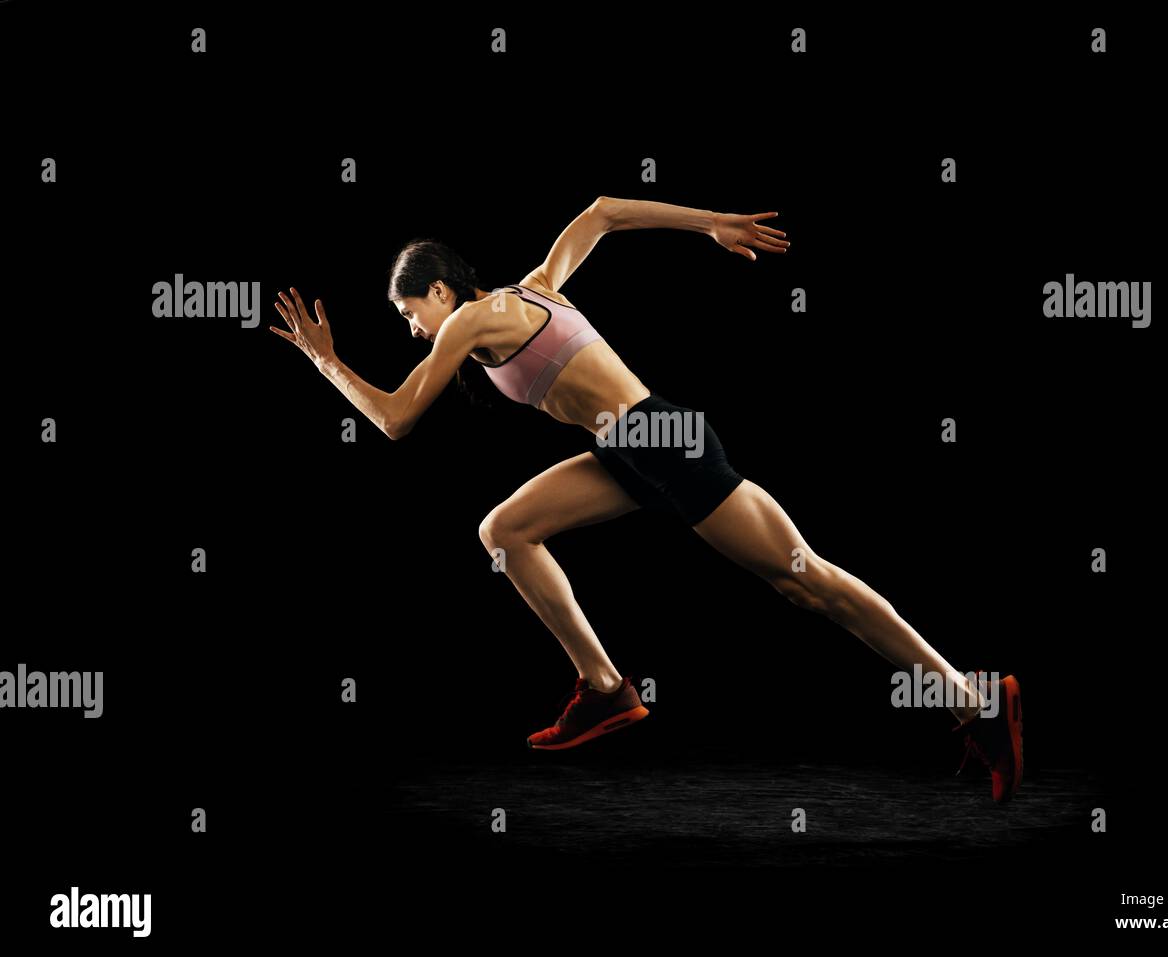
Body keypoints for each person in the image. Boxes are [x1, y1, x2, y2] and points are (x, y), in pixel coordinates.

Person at [270, 196, 1023, 803]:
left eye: (410, 314)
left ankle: (968, 698)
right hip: (628, 449)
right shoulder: (535, 287)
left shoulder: (469, 317)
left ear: (440, 289)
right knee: (505, 529)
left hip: (665, 442)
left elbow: (397, 419)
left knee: (806, 581)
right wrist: (711, 225)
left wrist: (325, 361)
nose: (412, 330)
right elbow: (601, 212)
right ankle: (605, 688)